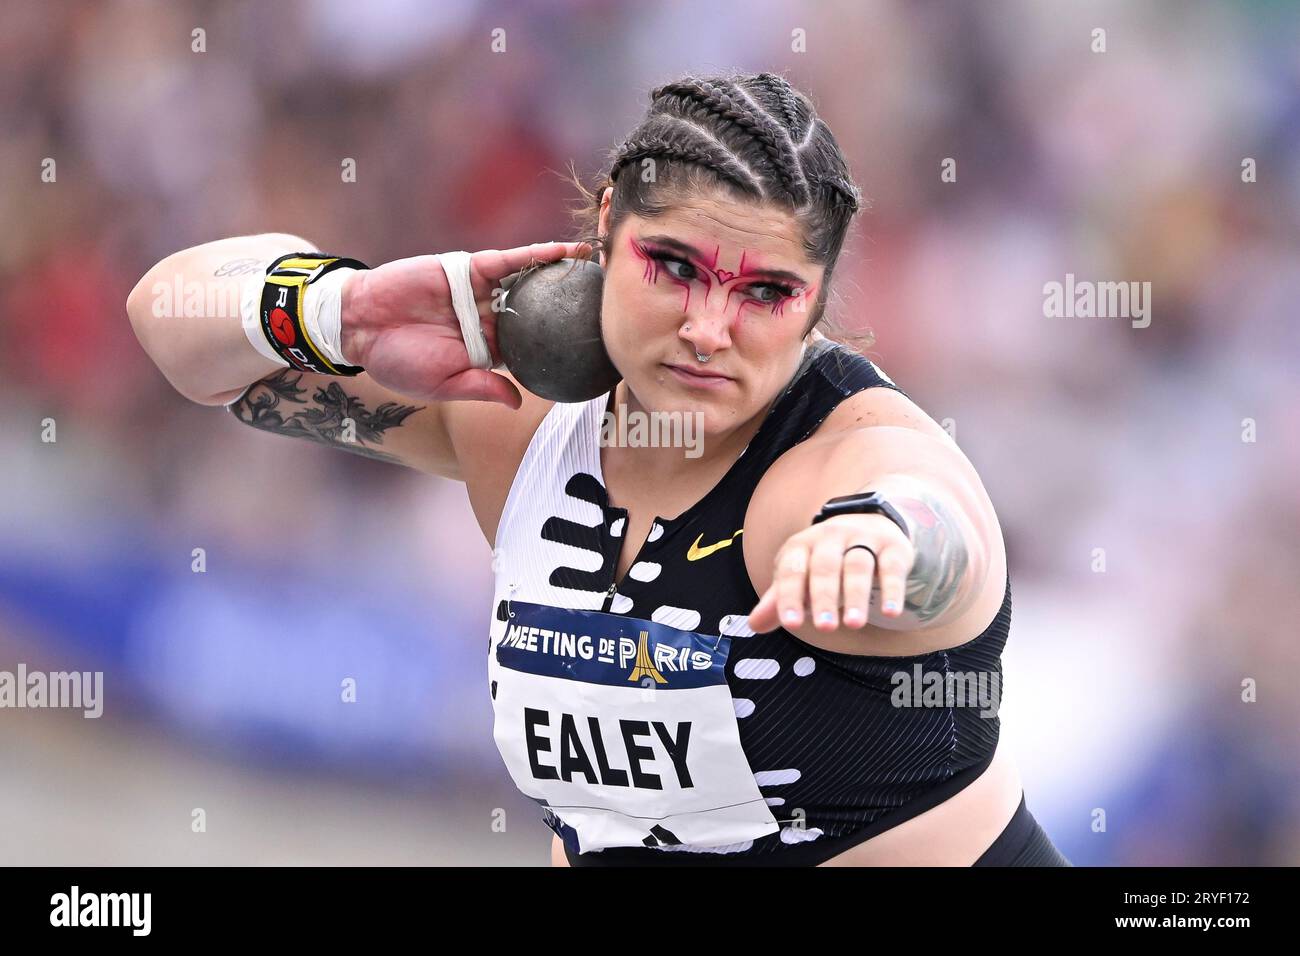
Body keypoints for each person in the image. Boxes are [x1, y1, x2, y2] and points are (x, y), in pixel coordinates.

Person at [127, 70, 1068, 866]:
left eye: (767, 293)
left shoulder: (836, 460)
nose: (709, 330)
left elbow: (942, 532)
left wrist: (875, 547)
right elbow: (173, 333)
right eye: (673, 266)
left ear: (818, 299)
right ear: (609, 223)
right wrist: (336, 313)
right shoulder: (514, 422)